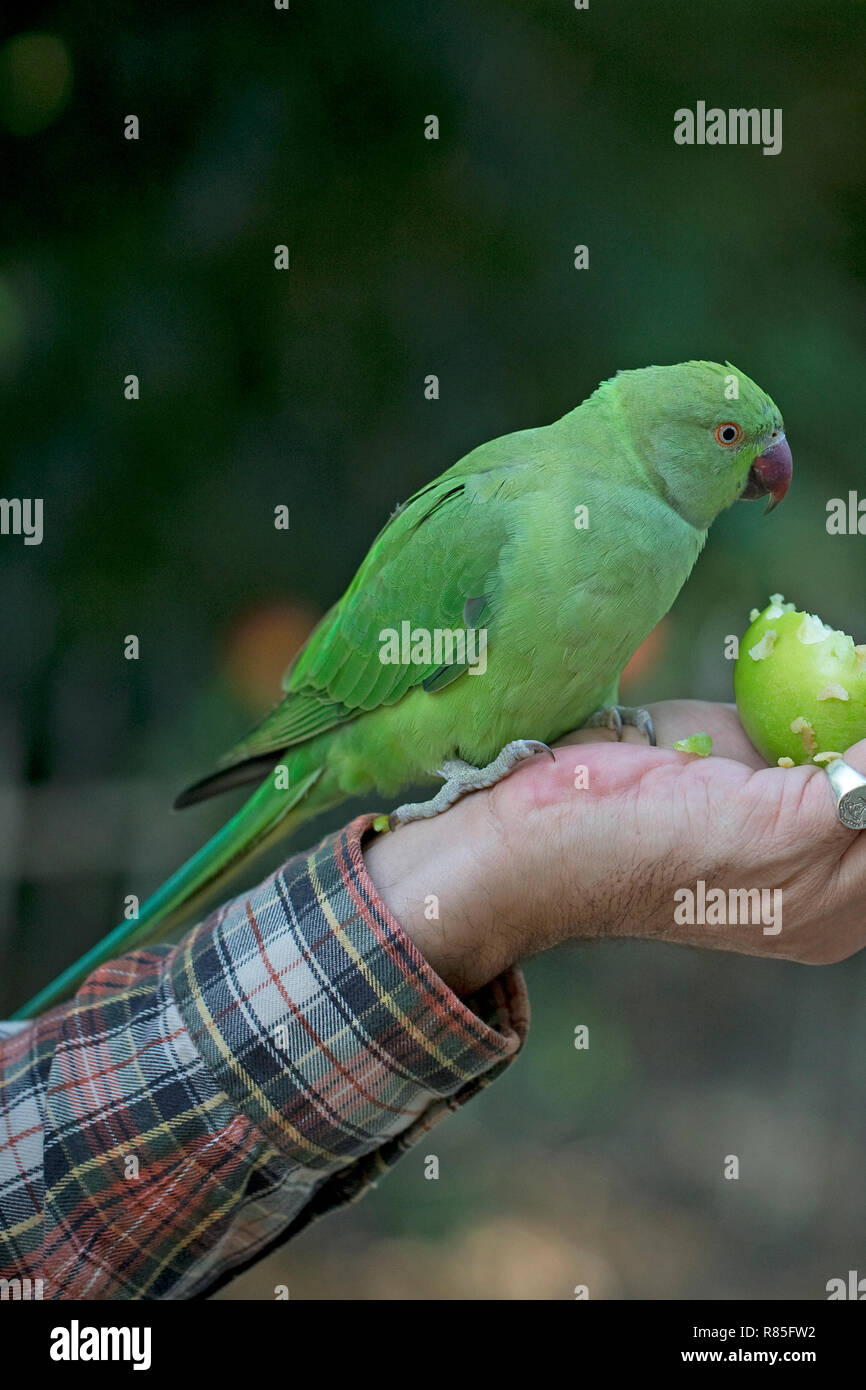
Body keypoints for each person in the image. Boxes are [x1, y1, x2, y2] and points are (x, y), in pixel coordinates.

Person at [1, 699, 863, 1300]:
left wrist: (500, 851)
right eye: (724, 428)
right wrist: (502, 853)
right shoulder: (520, 507)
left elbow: (37, 1187)